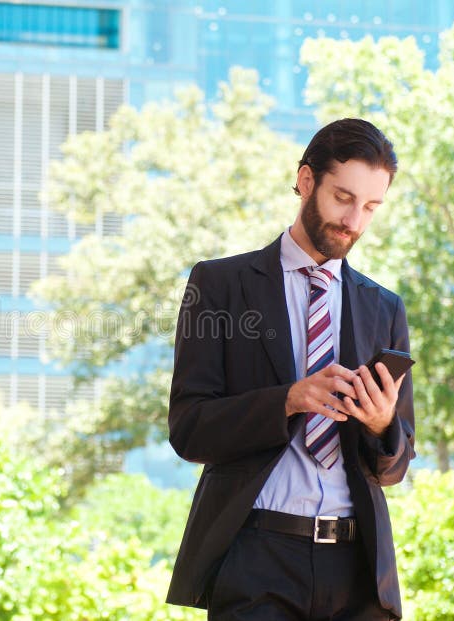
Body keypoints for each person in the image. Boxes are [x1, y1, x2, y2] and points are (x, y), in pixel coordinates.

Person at [166, 118, 415, 620]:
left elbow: (395, 468)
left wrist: (383, 424)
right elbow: (189, 430)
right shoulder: (220, 285)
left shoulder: (385, 309)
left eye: (370, 207)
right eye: (343, 198)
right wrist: (289, 399)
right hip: (256, 557)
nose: (354, 221)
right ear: (306, 181)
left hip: (358, 567)